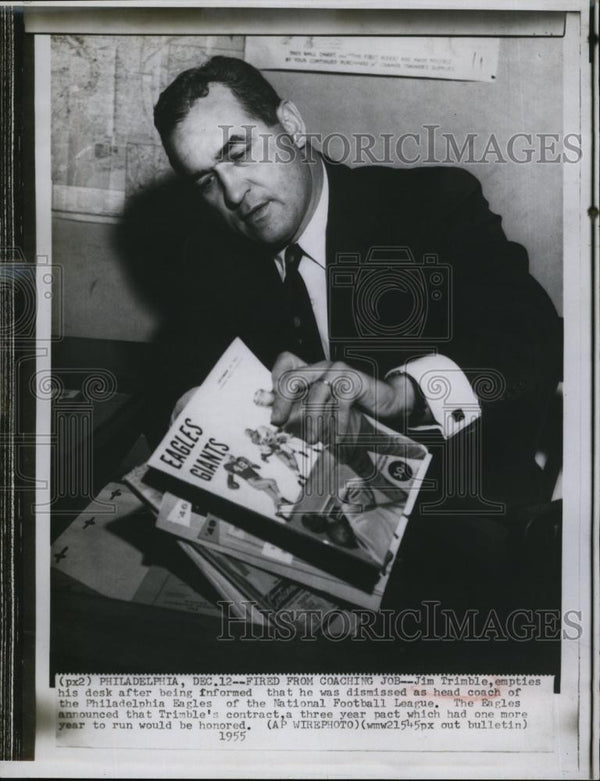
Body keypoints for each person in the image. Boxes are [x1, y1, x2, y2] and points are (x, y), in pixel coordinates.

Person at [149, 56, 562, 609]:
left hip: (456, 535)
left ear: (291, 127)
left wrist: (402, 394)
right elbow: (180, 364)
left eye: (239, 152)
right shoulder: (207, 257)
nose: (233, 194)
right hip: (299, 540)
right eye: (206, 180)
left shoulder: (431, 206)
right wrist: (198, 406)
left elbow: (532, 337)